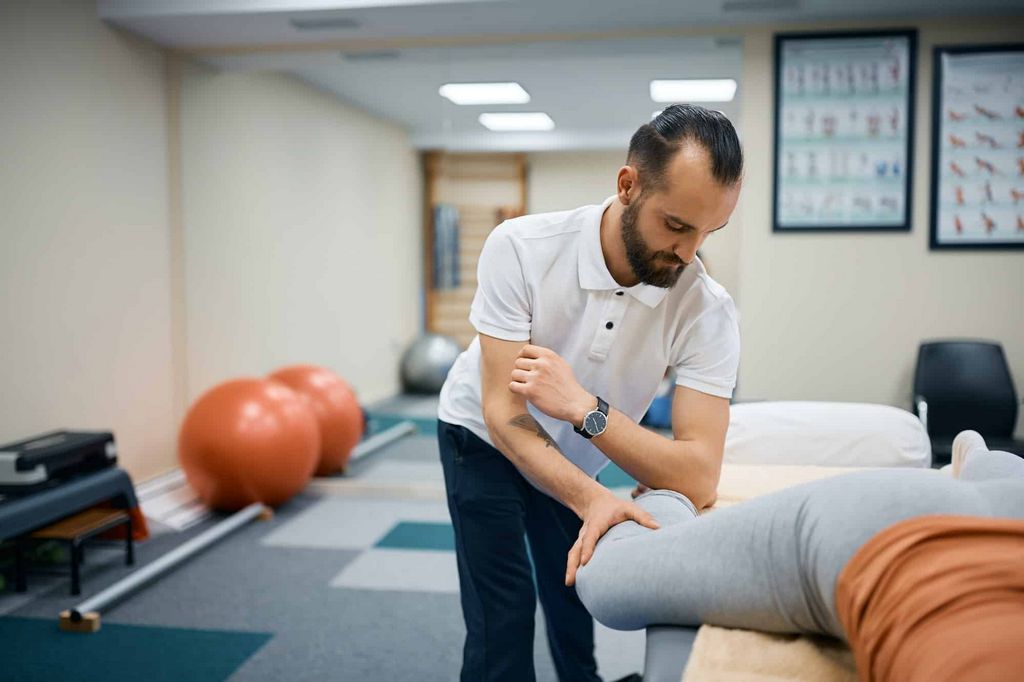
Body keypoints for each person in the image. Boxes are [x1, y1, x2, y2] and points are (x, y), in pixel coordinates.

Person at [436, 103, 744, 681]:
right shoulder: (521, 247)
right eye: (677, 225)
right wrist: (591, 498)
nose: (689, 254)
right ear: (628, 185)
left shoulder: (707, 309)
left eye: (709, 232)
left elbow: (700, 476)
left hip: (579, 445)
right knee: (504, 612)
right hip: (482, 435)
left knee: (571, 585)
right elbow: (504, 412)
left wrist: (587, 411)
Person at [574, 431, 1024, 681]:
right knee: (608, 577)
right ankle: (669, 493)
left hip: (1001, 508)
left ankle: (976, 452)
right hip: (882, 537)